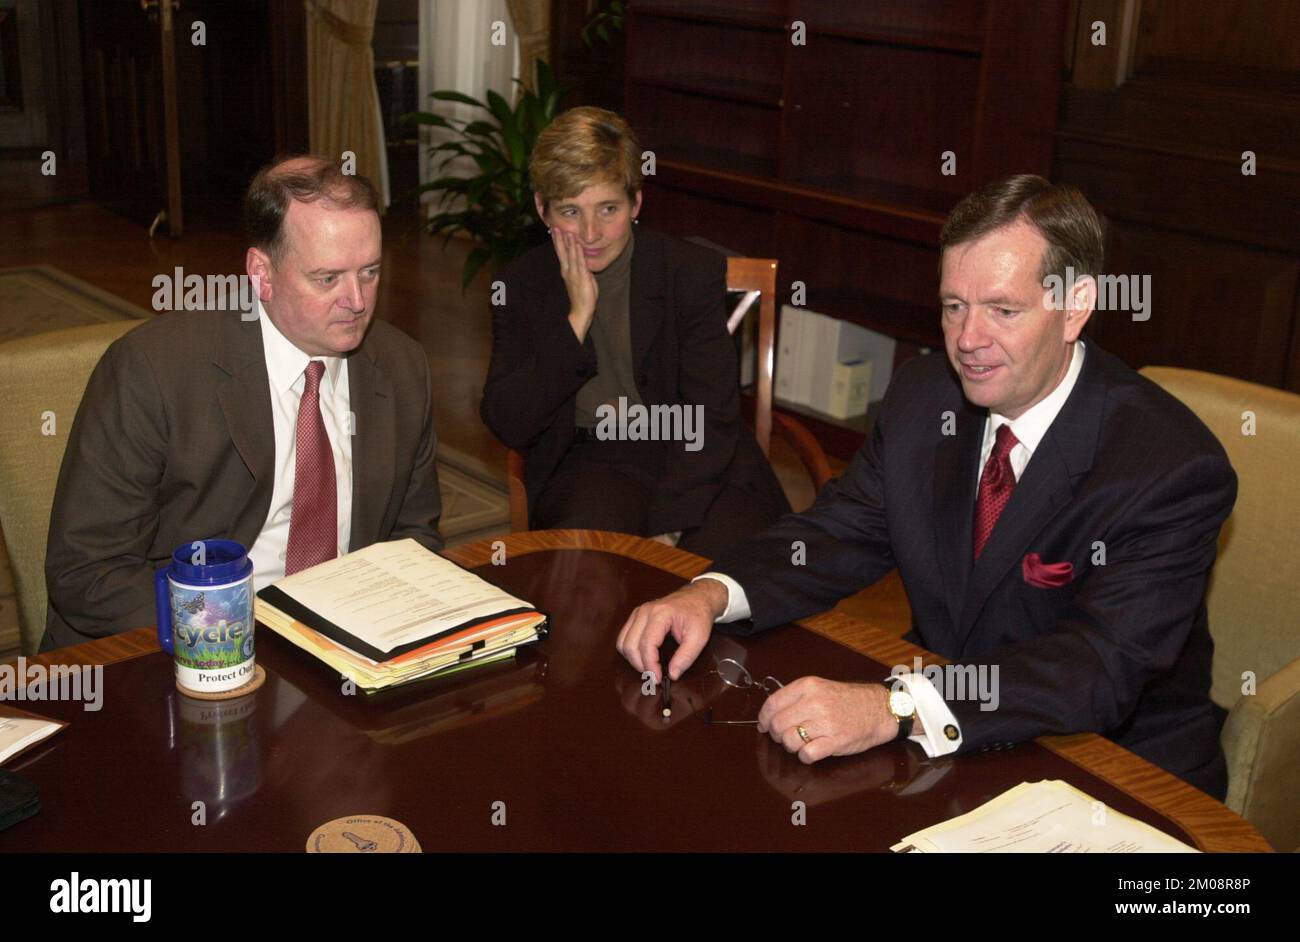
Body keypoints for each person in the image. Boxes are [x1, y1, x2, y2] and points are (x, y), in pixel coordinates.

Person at [616, 174, 1236, 799]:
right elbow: (841, 531)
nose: (968, 340)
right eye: (953, 306)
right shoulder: (925, 396)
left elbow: (1097, 667)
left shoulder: (1169, 468)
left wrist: (898, 707)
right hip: (948, 737)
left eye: (1003, 310)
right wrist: (712, 594)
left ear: (1075, 307)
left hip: (1115, 768)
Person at [42, 155, 443, 650]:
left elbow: (415, 539)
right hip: (173, 644)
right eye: (327, 278)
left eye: (370, 272)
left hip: (343, 647)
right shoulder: (154, 370)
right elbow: (85, 573)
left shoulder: (403, 367)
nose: (357, 300)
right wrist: (236, 626)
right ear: (262, 274)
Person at [480, 107, 789, 559]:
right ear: (542, 210)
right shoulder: (521, 285)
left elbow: (712, 415)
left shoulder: (687, 273)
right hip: (593, 460)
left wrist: (670, 525)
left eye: (608, 209)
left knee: (733, 581)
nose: (591, 233)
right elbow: (510, 421)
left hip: (697, 452)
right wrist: (577, 317)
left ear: (636, 203)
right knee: (592, 578)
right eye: (571, 211)